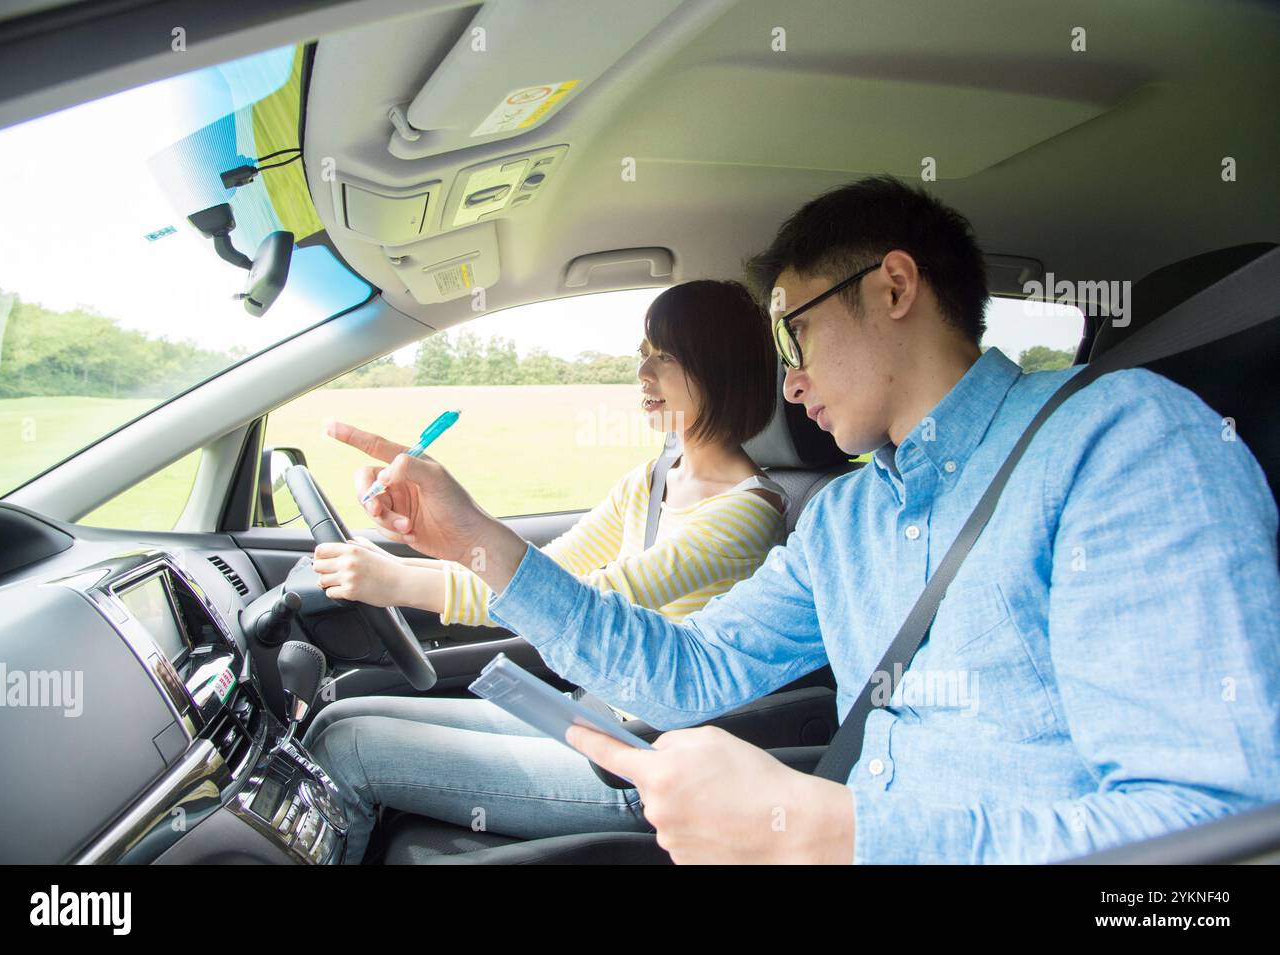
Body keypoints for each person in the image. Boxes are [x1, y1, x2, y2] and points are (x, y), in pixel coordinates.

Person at [351, 175, 1280, 864]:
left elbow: (1212, 850)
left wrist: (828, 831)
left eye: (795, 331)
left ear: (894, 287)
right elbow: (686, 670)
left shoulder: (1123, 444)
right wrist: (474, 539)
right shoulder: (845, 520)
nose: (787, 381)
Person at [303, 279, 790, 863]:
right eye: (642, 354)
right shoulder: (652, 479)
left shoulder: (746, 514)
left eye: (664, 356)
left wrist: (397, 581)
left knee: (349, 750)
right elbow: (549, 572)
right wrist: (420, 550)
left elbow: (581, 603)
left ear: (721, 369)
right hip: (593, 712)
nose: (643, 373)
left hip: (644, 763)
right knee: (340, 717)